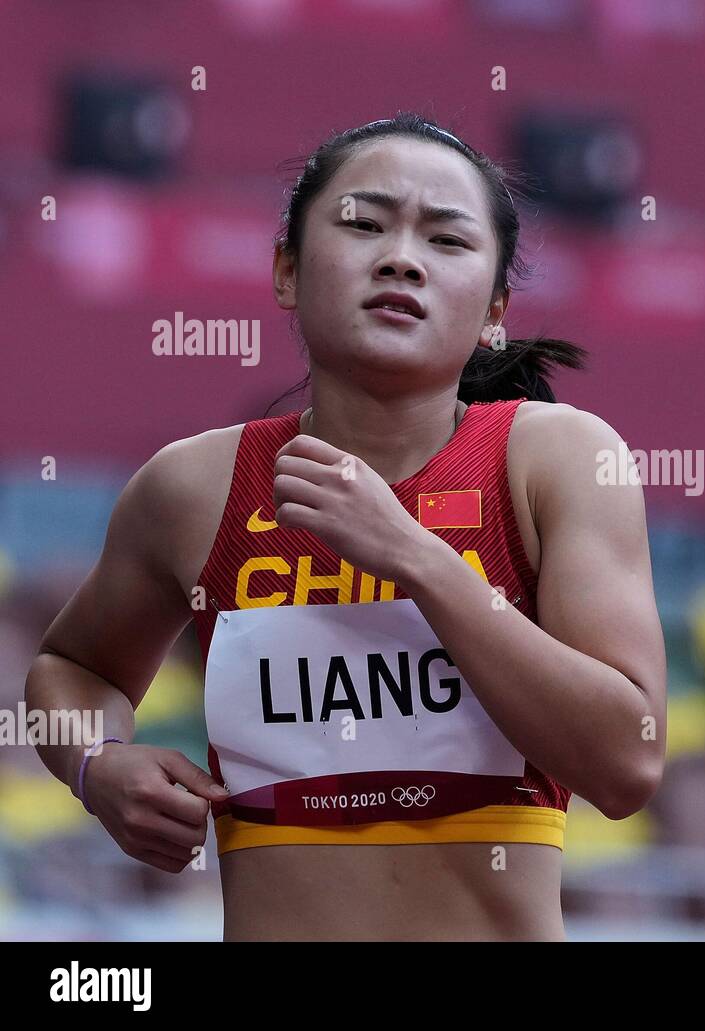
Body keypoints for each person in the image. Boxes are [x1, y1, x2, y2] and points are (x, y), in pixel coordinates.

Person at [26, 113, 668, 941]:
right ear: (287, 271)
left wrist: (416, 559)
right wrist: (94, 764)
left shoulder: (559, 460)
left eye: (447, 241)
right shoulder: (192, 486)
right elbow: (69, 665)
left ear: (495, 310)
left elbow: (627, 763)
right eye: (364, 224)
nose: (401, 257)